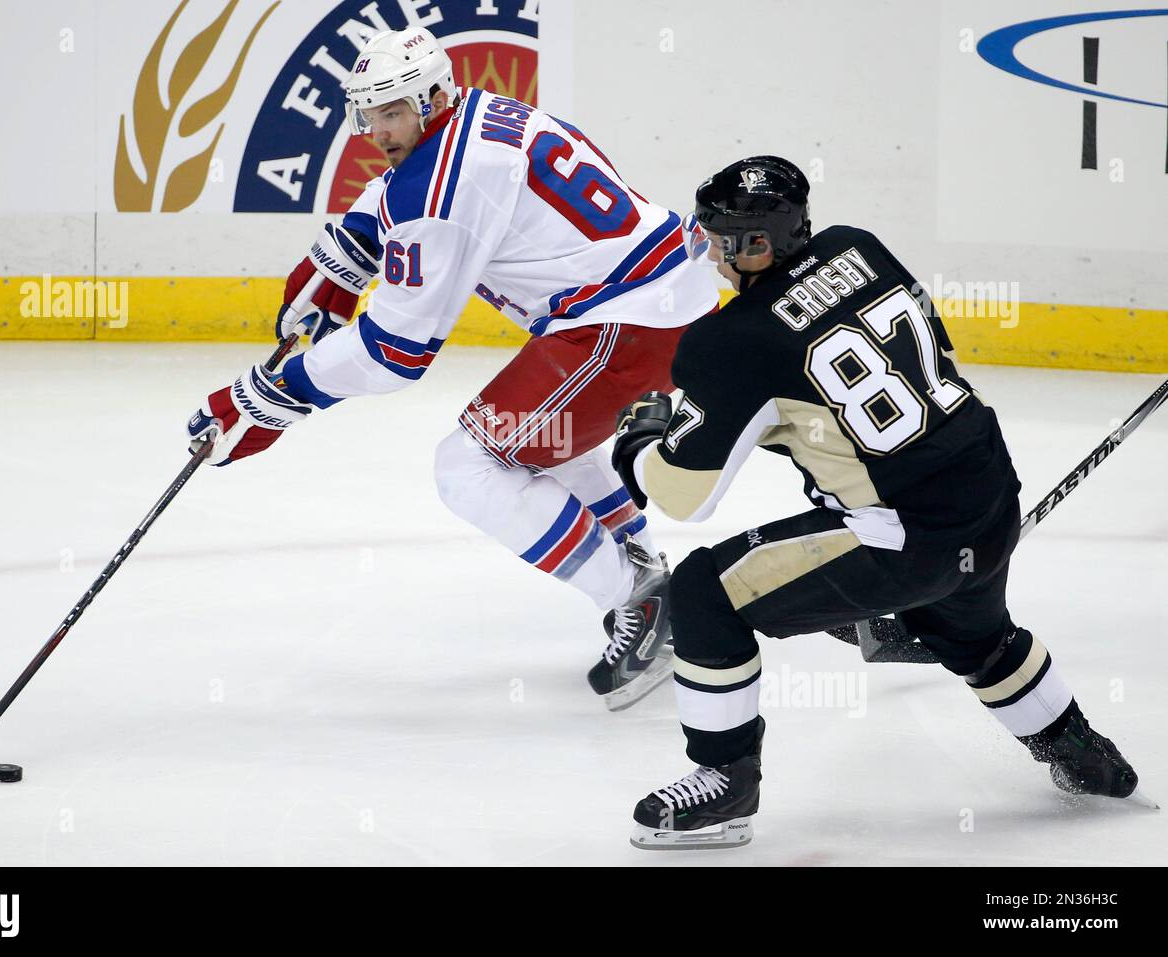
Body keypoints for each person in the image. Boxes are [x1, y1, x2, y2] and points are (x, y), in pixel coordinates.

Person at [612, 156, 1144, 849]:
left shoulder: (727, 342)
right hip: (990, 494)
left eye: (721, 237)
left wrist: (639, 443)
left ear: (757, 245)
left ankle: (724, 780)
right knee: (976, 634)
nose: (711, 250)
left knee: (703, 592)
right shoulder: (856, 245)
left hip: (903, 538)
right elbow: (924, 366)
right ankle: (1085, 755)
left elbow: (685, 496)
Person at [184, 25, 720, 709]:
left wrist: (271, 395)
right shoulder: (483, 110)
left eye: (393, 111)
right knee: (533, 443)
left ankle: (637, 599)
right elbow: (410, 190)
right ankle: (644, 571)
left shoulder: (441, 188)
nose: (377, 130)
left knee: (467, 465)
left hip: (631, 323)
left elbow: (395, 350)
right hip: (653, 299)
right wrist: (346, 251)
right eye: (369, 113)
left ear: (434, 94)